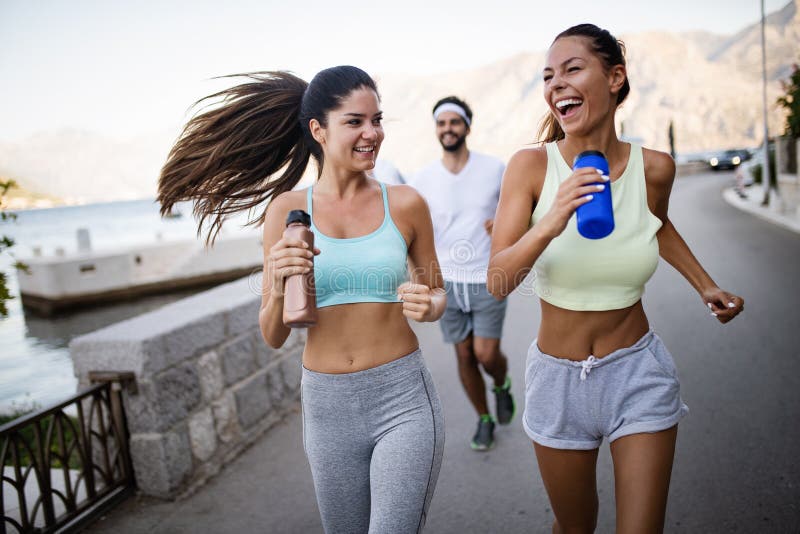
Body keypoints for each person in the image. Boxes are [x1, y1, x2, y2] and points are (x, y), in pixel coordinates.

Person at [157, 66, 446, 534]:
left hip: (403, 399)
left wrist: (429, 305)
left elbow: (436, 292)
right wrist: (276, 278)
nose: (372, 133)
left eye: (377, 119)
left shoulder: (407, 203)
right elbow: (272, 334)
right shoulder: (286, 213)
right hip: (328, 408)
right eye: (355, 121)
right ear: (318, 130)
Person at [487, 24, 744, 533]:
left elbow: (657, 223)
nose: (556, 83)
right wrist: (554, 218)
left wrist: (705, 284)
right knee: (576, 527)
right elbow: (498, 280)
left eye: (572, 69)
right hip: (558, 381)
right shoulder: (530, 168)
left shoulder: (656, 169)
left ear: (615, 78)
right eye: (547, 76)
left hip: (637, 372)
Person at [408, 96, 513, 451]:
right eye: (441, 123)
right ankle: (483, 418)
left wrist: (504, 224)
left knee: (485, 353)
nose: (447, 129)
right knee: (464, 355)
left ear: (467, 126)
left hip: (488, 275)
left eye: (454, 122)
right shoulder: (422, 178)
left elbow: (521, 210)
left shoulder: (495, 169)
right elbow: (413, 229)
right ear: (436, 129)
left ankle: (500, 383)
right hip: (447, 280)